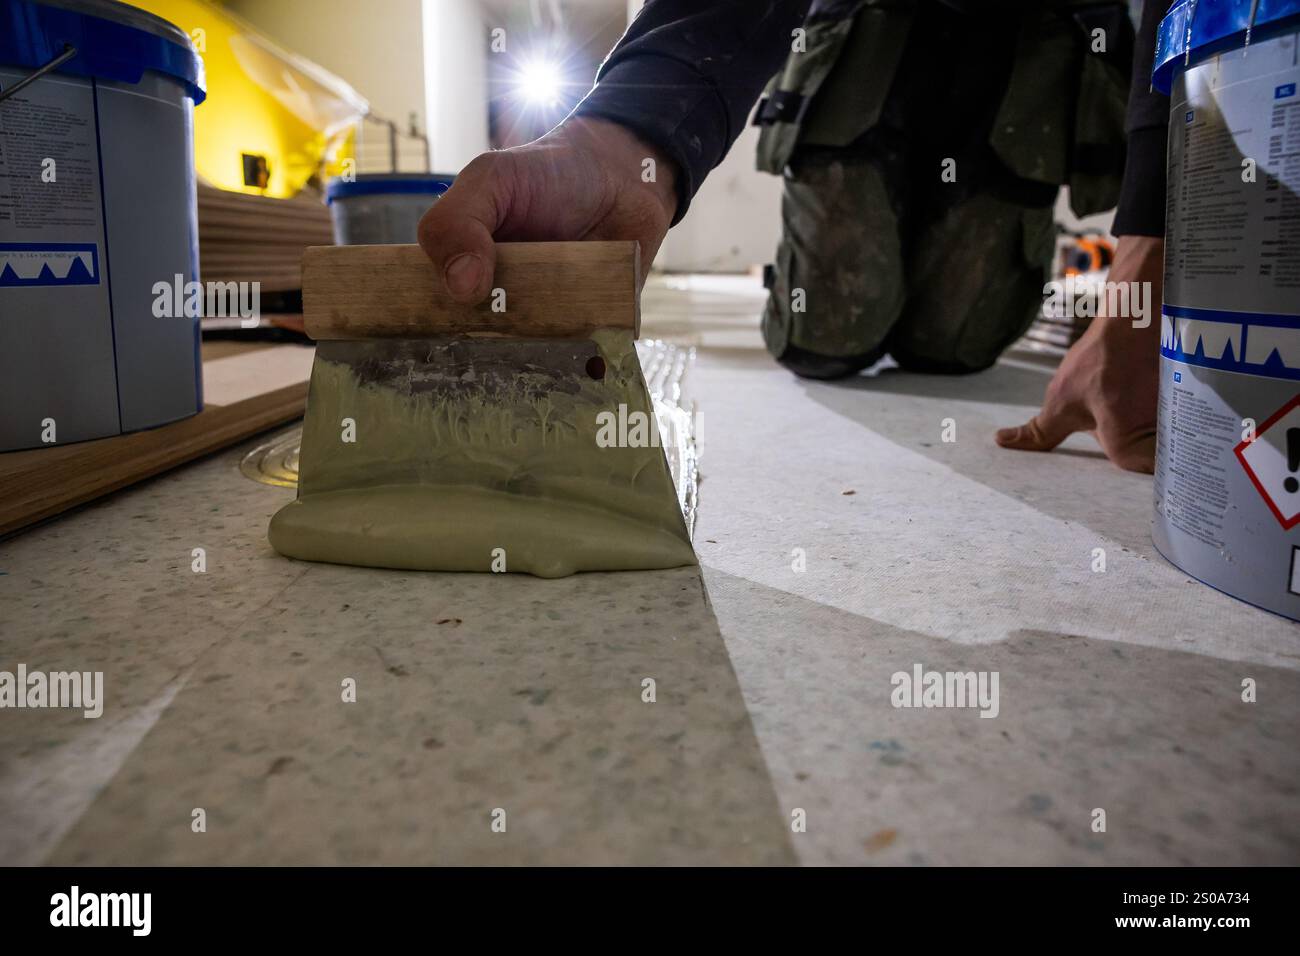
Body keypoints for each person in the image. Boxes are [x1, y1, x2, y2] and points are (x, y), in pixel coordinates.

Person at [418, 0, 1170, 473]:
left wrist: (1143, 261)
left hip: (1029, 50)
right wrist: (631, 134)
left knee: (953, 350)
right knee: (828, 339)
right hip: (873, 37)